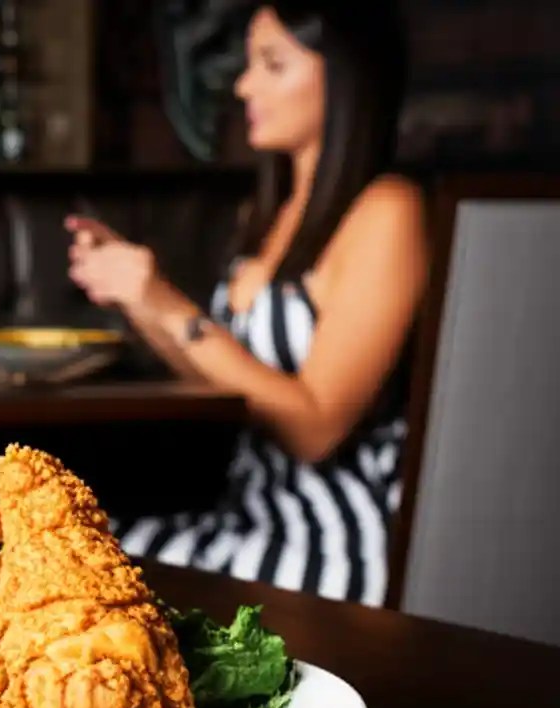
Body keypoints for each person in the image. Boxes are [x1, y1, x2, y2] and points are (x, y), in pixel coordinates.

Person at [67, 1, 427, 606]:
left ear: (345, 77)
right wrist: (136, 301)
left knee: (94, 582)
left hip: (329, 535)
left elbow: (315, 428)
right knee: (71, 555)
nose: (243, 84)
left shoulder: (387, 210)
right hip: (247, 515)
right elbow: (228, 387)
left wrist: (165, 300)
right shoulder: (269, 214)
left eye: (272, 64)